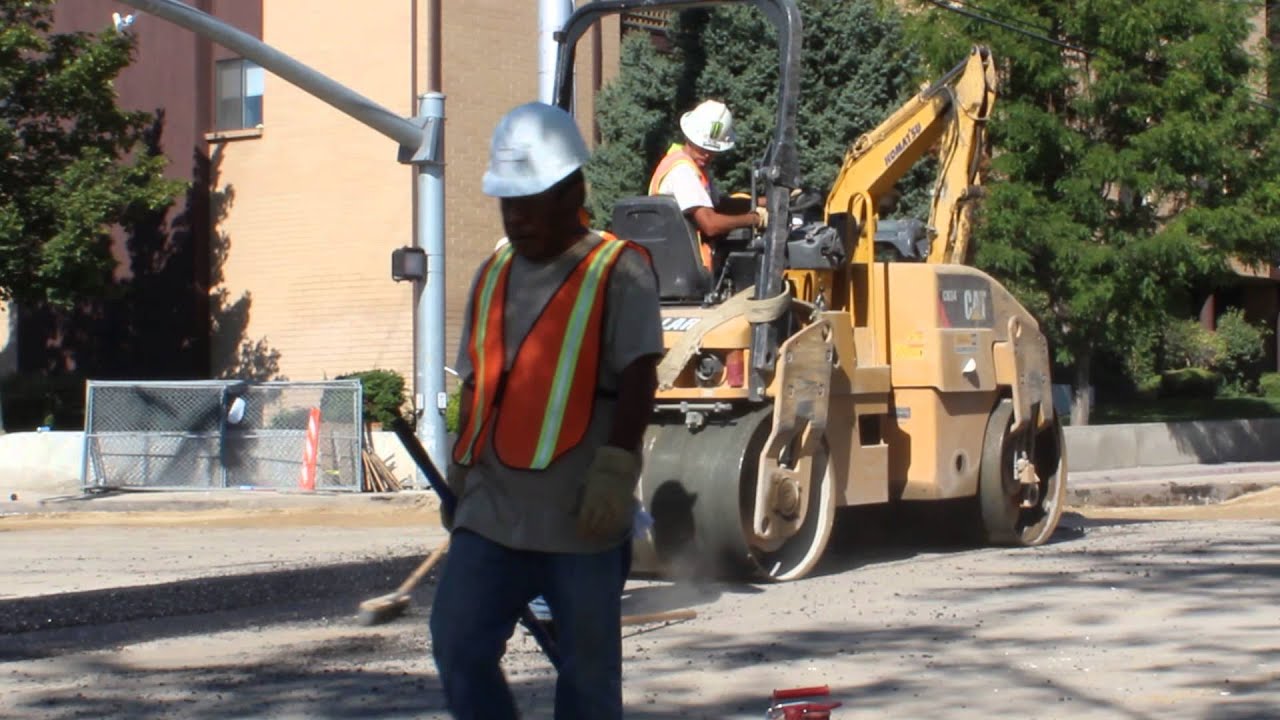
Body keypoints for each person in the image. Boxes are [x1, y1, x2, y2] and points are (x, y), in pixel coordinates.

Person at [430, 101, 663, 720]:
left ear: (573, 191)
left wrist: (618, 469)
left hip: (579, 516)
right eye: (509, 203)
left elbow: (640, 379)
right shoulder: (492, 272)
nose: (518, 217)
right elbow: (478, 382)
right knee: (457, 643)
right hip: (493, 514)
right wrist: (459, 467)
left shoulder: (620, 271)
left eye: (531, 200)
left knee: (587, 679)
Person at [648, 99, 767, 270]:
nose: (707, 155)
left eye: (712, 151)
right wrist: (755, 219)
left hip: (675, 261)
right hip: (686, 266)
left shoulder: (688, 164)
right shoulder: (683, 172)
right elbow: (710, 225)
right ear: (689, 137)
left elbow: (719, 204)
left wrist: (764, 202)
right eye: (702, 149)